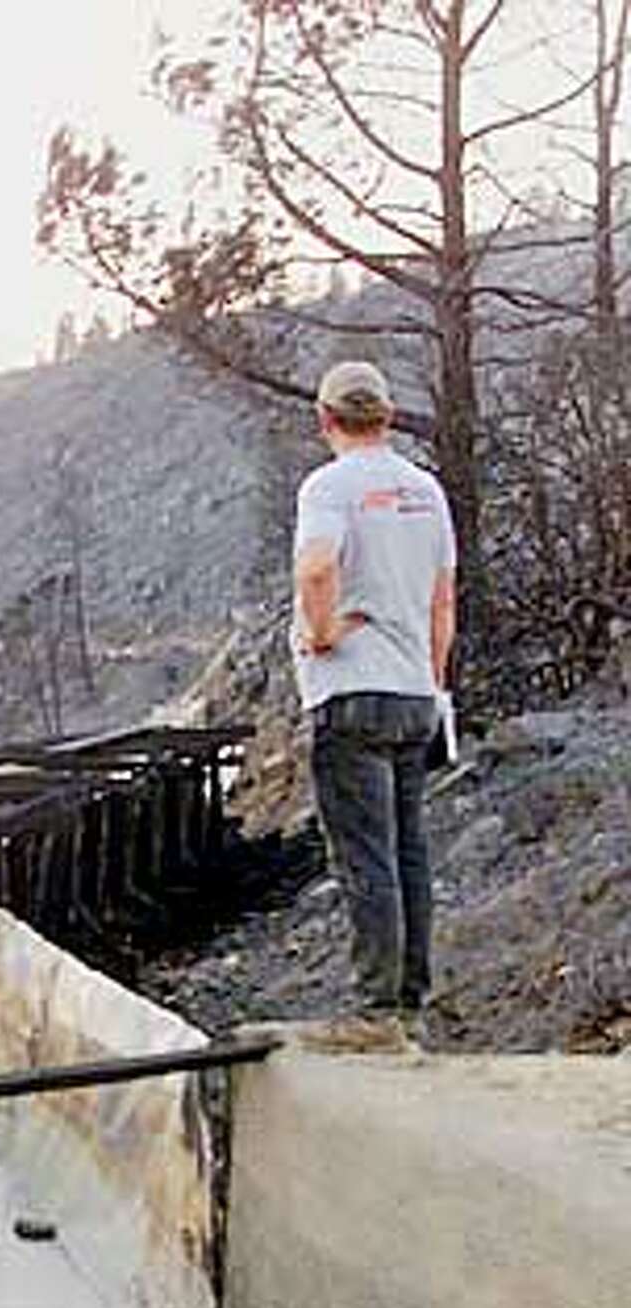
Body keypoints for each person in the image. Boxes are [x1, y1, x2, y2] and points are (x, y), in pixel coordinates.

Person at [291, 359, 457, 1051]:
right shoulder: (425, 490)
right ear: (386, 417)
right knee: (408, 849)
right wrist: (432, 676)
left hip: (352, 692)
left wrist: (324, 632)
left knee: (366, 855)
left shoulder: (329, 486)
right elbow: (444, 599)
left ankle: (375, 1010)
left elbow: (317, 566)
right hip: (416, 690)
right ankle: (411, 994)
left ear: (327, 419)